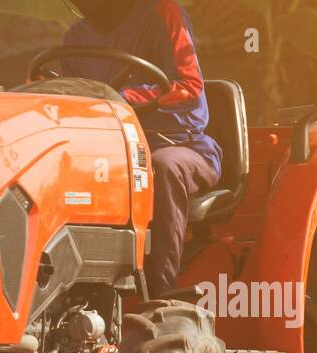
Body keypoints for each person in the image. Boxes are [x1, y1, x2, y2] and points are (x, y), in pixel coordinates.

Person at [61, 0, 222, 296]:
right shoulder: (75, 38)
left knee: (162, 166)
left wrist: (117, 98)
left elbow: (189, 88)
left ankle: (161, 294)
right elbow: (66, 93)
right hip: (110, 151)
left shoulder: (162, 13)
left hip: (177, 144)